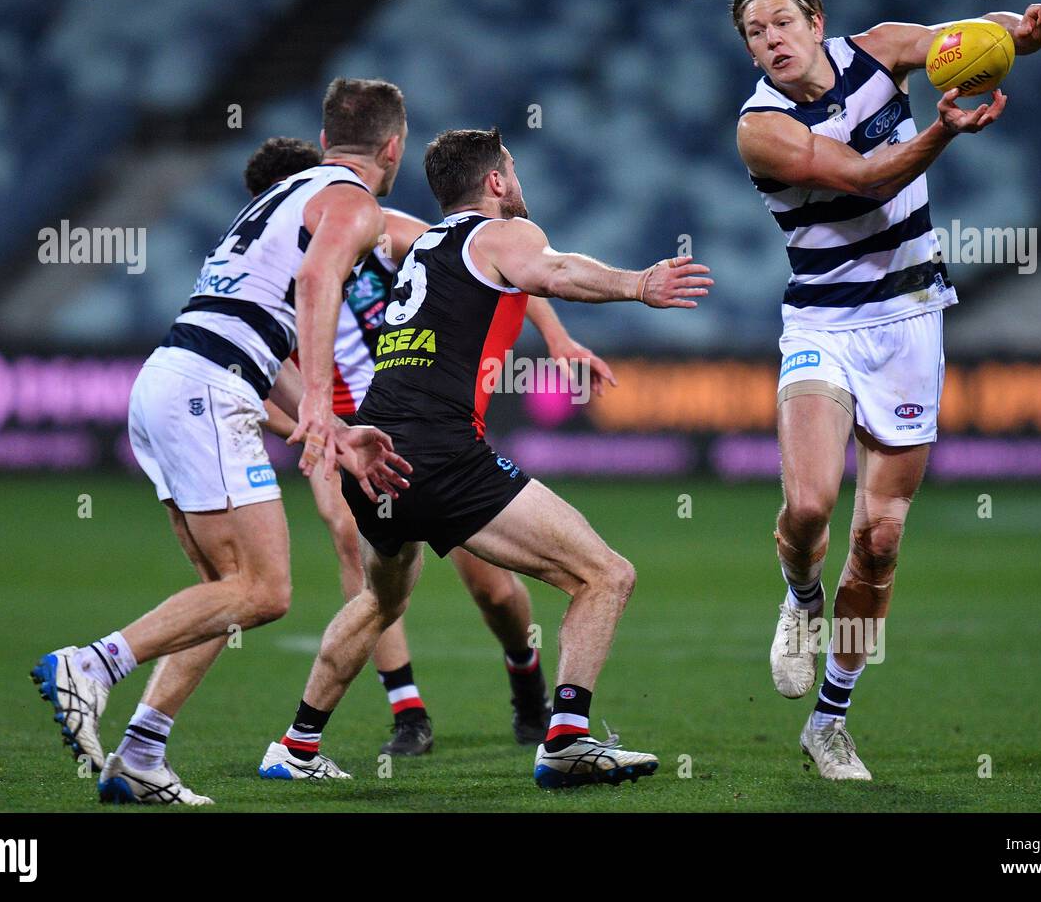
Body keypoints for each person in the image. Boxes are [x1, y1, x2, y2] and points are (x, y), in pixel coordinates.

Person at [258, 127, 714, 788]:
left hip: (373, 451)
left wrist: (555, 339)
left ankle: (296, 746)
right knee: (605, 575)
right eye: (514, 170)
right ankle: (566, 740)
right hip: (438, 453)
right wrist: (637, 283)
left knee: (379, 601)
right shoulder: (503, 233)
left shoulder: (422, 244)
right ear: (496, 181)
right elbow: (553, 271)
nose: (518, 182)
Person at [30, 78, 412, 804]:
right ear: (393, 147)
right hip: (207, 388)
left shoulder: (281, 196)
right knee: (264, 590)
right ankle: (94, 664)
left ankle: (141, 754)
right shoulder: (352, 202)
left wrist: (329, 421)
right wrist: (329, 410)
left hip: (177, 373)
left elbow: (248, 329)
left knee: (223, 592)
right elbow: (315, 280)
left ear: (327, 139)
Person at [732, 0, 1041, 779]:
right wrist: (945, 131)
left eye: (782, 22)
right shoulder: (762, 127)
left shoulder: (880, 50)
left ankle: (830, 722)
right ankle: (801, 596)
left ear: (817, 23)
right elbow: (858, 175)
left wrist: (1027, 32)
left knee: (879, 539)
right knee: (809, 507)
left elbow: (958, 42)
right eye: (754, 32)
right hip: (823, 322)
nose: (771, 39)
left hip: (911, 319)